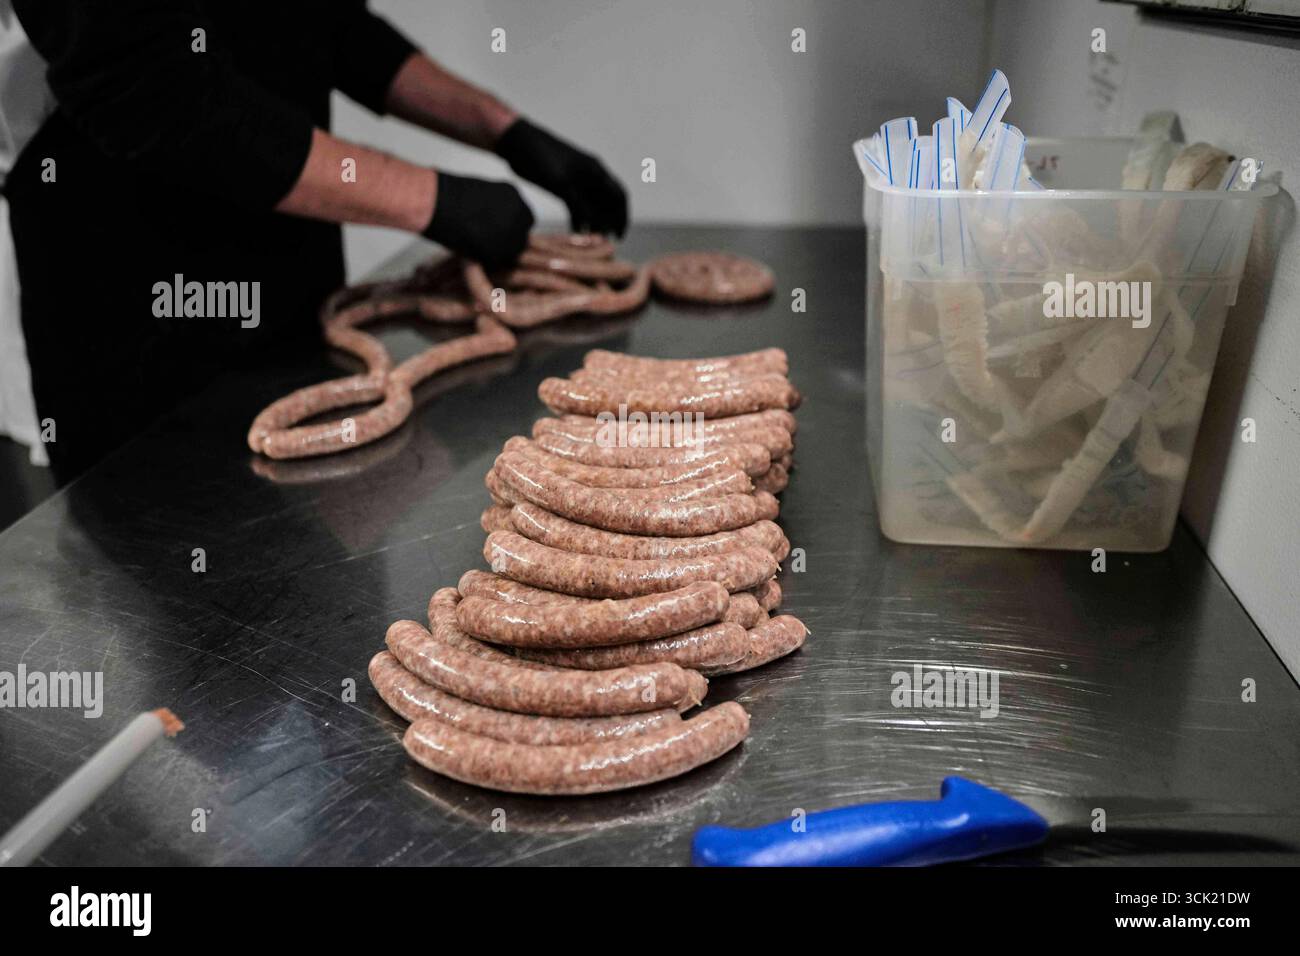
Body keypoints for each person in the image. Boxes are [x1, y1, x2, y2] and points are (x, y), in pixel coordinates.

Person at [5, 0, 627, 481]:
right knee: (163, 604)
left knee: (316, 591)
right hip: (129, 314)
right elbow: (152, 92)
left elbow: (326, 25)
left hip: (290, 294)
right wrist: (431, 198)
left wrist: (504, 129)